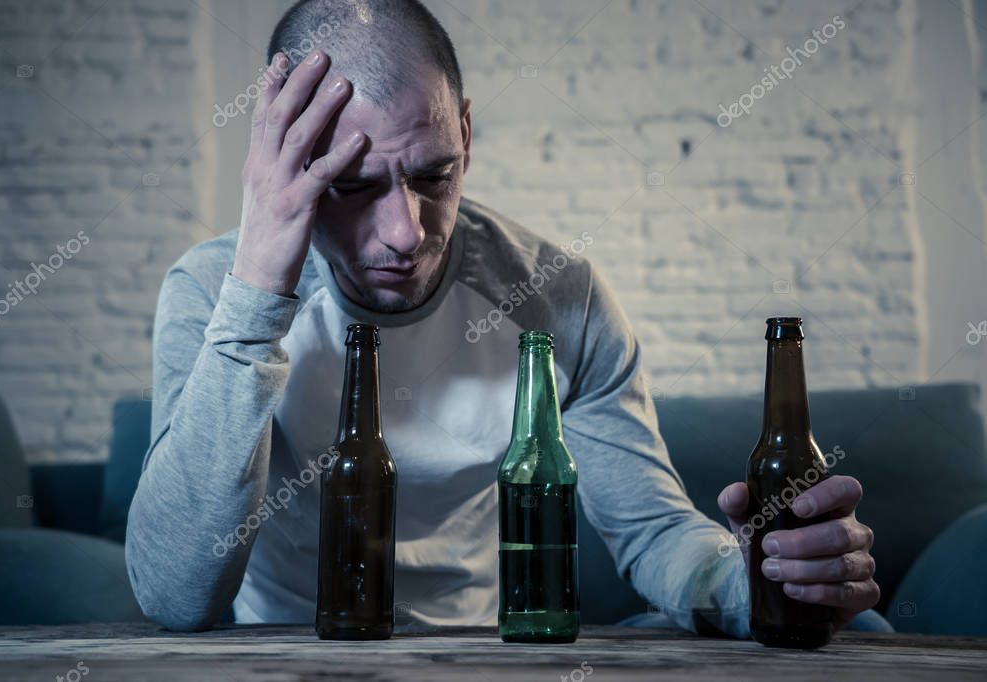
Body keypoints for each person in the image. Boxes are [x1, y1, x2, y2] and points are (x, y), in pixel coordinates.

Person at [125, 0, 881, 634]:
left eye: (432, 175)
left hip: (483, 658)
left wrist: (752, 584)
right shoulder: (210, 292)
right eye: (352, 188)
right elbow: (174, 596)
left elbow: (652, 531)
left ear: (465, 135)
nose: (404, 232)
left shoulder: (556, 295)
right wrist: (259, 283)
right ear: (280, 167)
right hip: (282, 657)